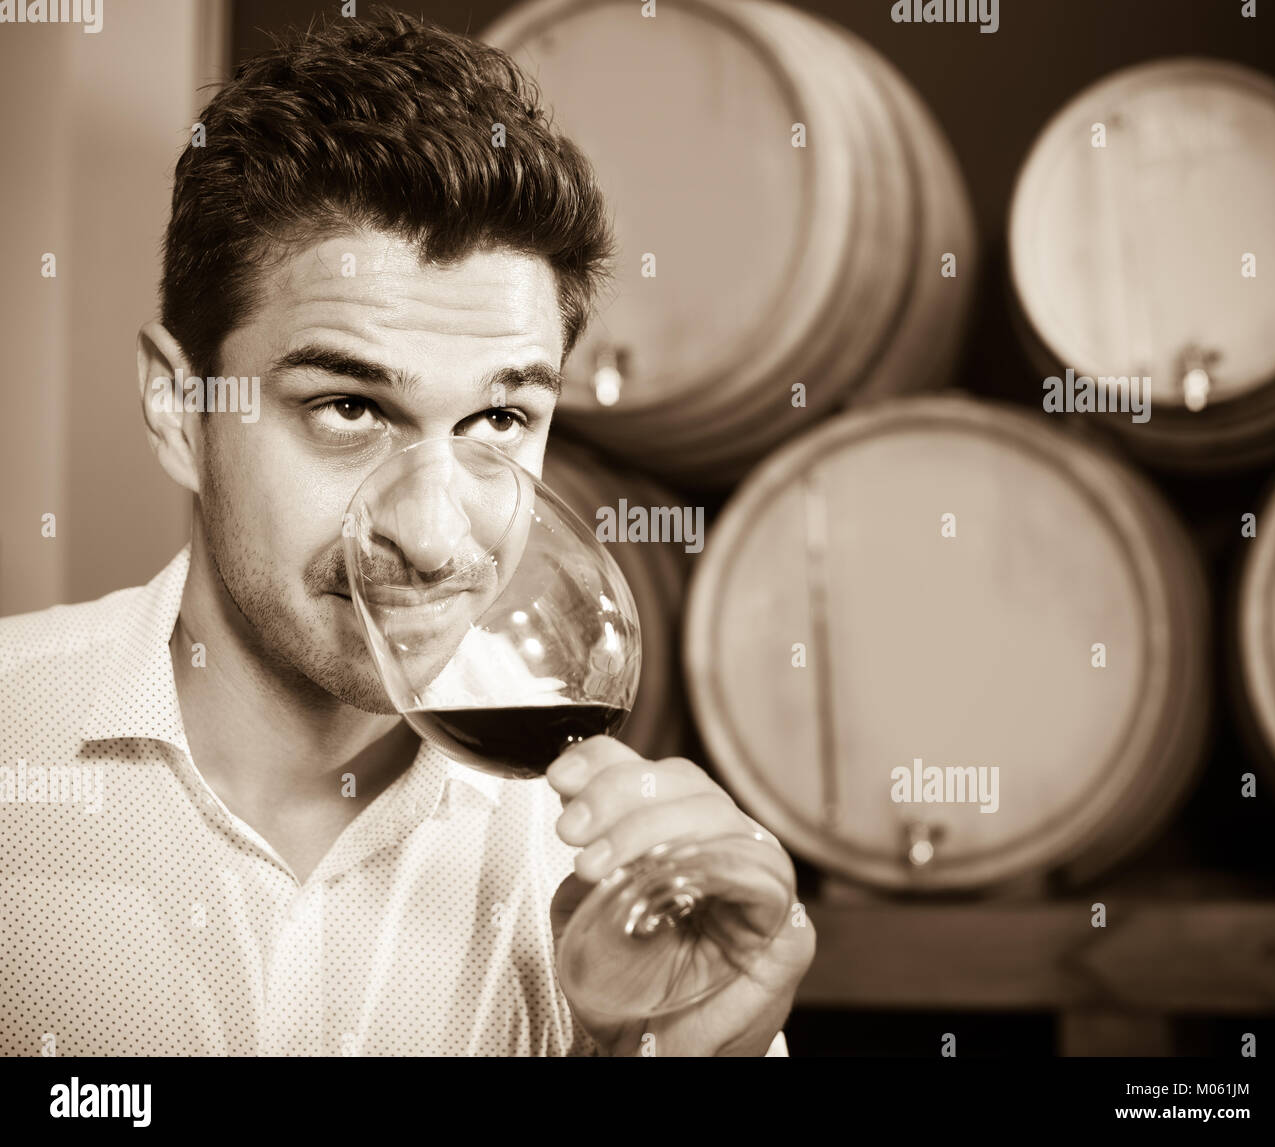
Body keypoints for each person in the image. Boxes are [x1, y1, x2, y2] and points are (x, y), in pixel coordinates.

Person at [0, 7, 814, 1056]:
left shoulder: (595, 884)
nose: (433, 538)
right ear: (178, 409)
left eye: (498, 420)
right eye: (351, 408)